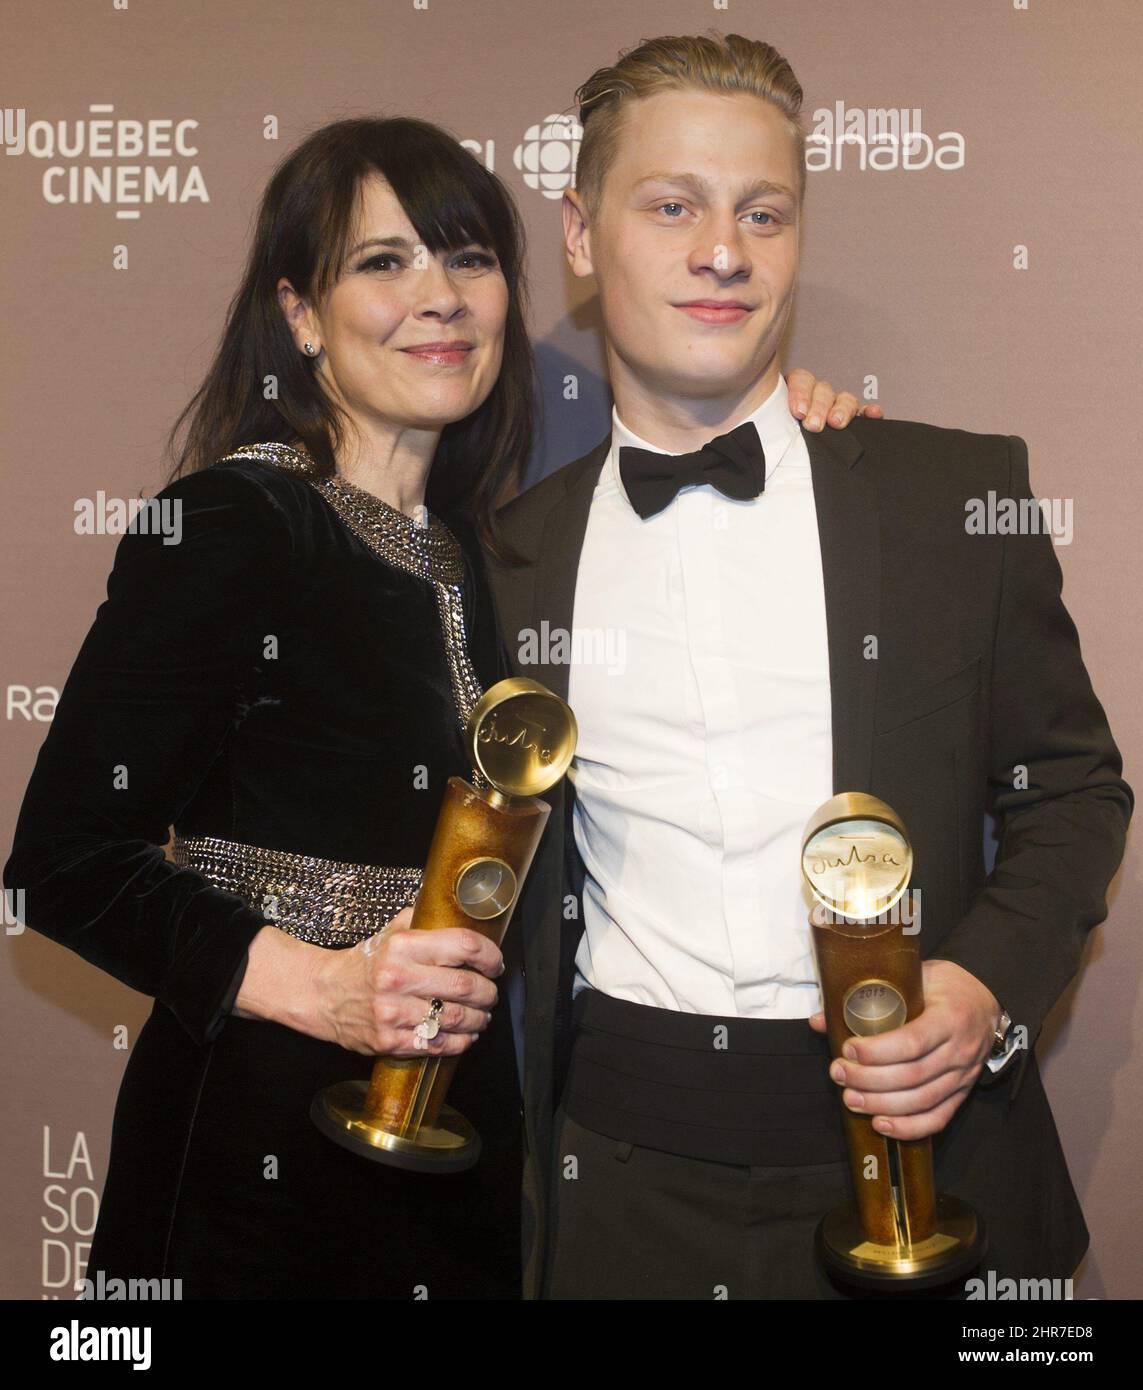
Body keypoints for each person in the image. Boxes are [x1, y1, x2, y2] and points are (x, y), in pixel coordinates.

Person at [2, 111, 862, 1299]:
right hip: (254, 1159)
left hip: (463, 1158)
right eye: (383, 262)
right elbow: (60, 862)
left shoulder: (488, 559)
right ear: (300, 313)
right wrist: (324, 987)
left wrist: (780, 407)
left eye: (467, 258)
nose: (440, 296)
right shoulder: (230, 525)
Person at [485, 32, 1133, 1300]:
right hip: (612, 1188)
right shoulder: (505, 558)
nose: (722, 251)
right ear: (577, 230)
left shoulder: (951, 499)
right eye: (671, 205)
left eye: (761, 212)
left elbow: (1075, 795)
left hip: (931, 1175)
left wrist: (983, 988)